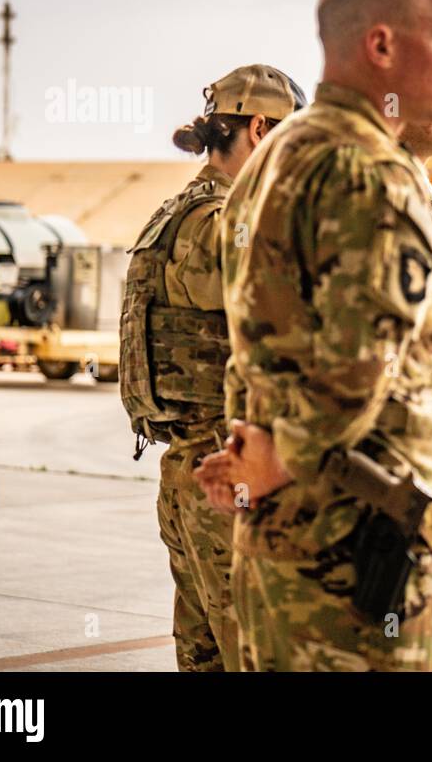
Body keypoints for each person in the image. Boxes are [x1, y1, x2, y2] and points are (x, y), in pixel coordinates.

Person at [193, 0, 432, 671]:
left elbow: (249, 342)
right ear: (382, 46)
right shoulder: (372, 172)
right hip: (351, 559)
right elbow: (355, 365)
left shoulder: (273, 159)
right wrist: (282, 456)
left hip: (277, 543)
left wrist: (251, 457)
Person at [118, 64, 304, 671]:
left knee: (204, 659)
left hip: (184, 471)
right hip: (223, 477)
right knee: (255, 655)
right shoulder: (226, 226)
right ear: (258, 128)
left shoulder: (173, 214)